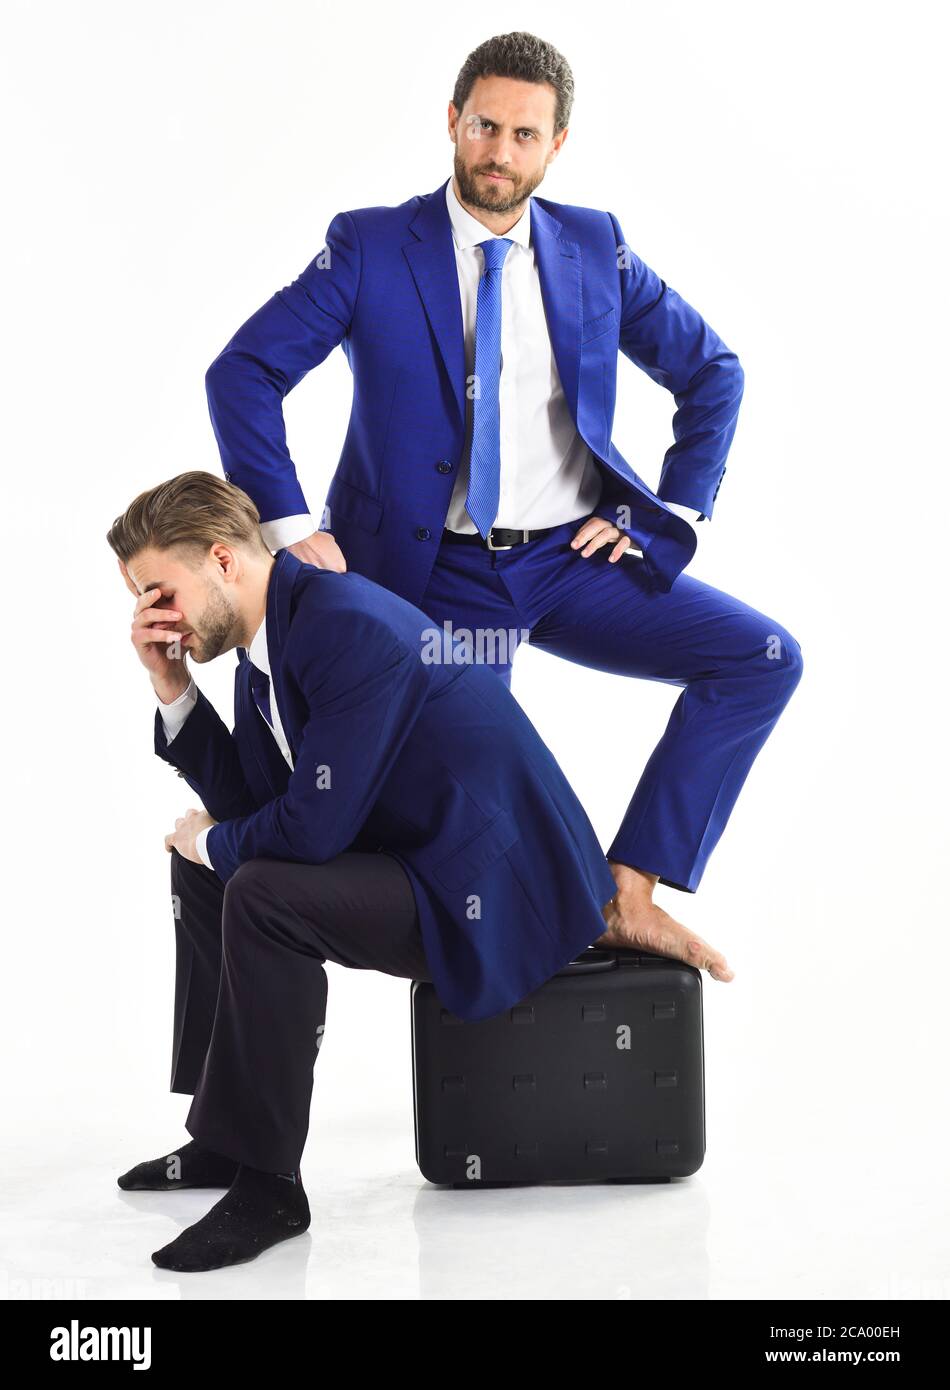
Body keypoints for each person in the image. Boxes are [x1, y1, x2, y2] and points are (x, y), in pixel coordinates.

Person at [202, 31, 804, 980]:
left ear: (557, 144)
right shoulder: (371, 247)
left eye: (526, 135)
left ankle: (629, 891)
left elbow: (712, 373)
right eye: (485, 126)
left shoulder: (596, 248)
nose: (500, 153)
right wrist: (289, 530)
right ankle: (498, 988)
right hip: (437, 577)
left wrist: (665, 514)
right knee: (474, 811)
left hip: (571, 562)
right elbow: (243, 372)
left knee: (760, 660)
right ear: (453, 121)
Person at [108, 471, 728, 1272]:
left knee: (256, 890)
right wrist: (171, 685)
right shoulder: (269, 642)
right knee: (209, 870)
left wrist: (214, 842)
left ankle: (268, 1187)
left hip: (489, 896)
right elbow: (253, 810)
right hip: (419, 857)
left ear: (222, 561)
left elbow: (309, 831)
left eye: (158, 592)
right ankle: (226, 1139)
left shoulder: (342, 626)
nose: (152, 616)